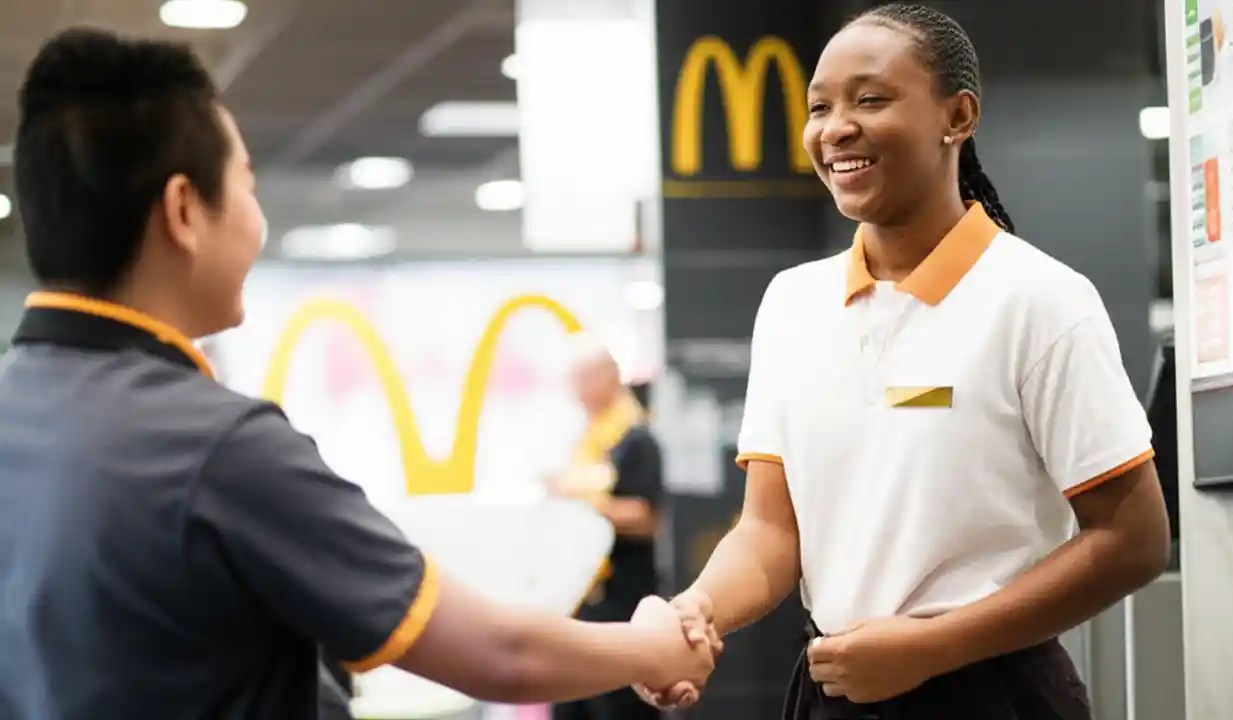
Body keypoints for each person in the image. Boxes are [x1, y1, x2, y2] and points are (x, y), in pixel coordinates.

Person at [0, 28, 714, 720]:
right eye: (247, 186)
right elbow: (498, 654)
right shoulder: (214, 447)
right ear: (185, 211)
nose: (257, 220)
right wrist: (652, 649)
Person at [636, 5, 1171, 719]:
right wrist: (695, 613)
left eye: (871, 98)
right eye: (819, 106)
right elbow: (770, 532)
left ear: (958, 115)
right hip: (836, 690)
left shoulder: (1039, 300)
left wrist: (932, 647)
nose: (835, 128)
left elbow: (1133, 539)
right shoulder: (793, 303)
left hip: (993, 693)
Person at [550, 338, 667, 720]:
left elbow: (646, 517)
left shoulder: (636, 440)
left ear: (611, 377)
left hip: (622, 601)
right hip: (581, 599)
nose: (576, 391)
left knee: (619, 705)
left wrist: (583, 504)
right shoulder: (588, 441)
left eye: (583, 378)